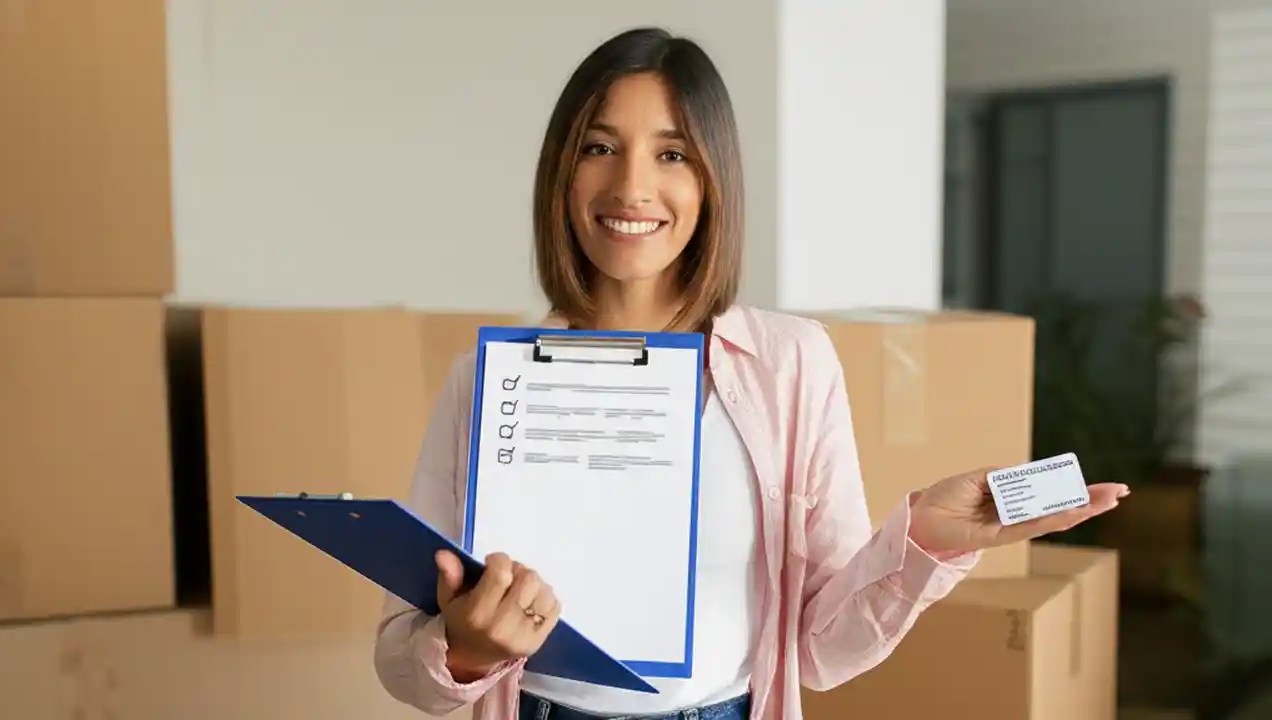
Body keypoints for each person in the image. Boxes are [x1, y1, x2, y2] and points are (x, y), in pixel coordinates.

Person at [374, 26, 1128, 720]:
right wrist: (466, 650)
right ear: (561, 174)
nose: (631, 186)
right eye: (600, 147)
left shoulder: (791, 365)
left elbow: (821, 653)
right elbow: (400, 656)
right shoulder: (486, 381)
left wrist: (924, 540)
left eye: (672, 154)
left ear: (713, 179)